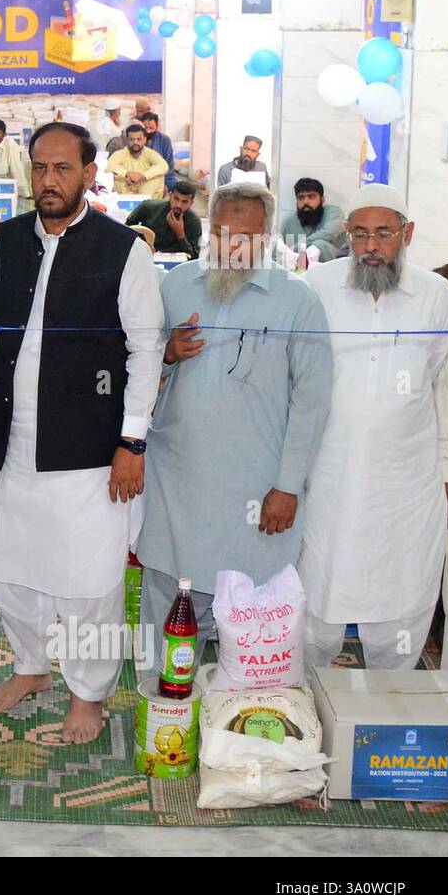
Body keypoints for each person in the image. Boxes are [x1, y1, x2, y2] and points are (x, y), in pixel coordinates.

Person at [0, 122, 164, 744]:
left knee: (87, 580)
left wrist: (132, 443)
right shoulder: (8, 239)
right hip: (12, 439)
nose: (48, 180)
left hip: (90, 447)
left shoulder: (125, 250)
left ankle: (88, 692)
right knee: (8, 567)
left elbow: (145, 351)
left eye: (62, 169)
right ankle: (30, 666)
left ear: (90, 174)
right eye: (39, 168)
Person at [136, 182, 332, 660]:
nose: (233, 245)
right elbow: (136, 368)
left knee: (253, 622)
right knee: (168, 605)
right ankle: (164, 710)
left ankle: (242, 718)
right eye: (222, 232)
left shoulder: (297, 300)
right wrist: (166, 354)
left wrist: (288, 486)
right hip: (177, 482)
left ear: (267, 237)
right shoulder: (177, 283)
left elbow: (312, 399)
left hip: (256, 490)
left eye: (246, 235)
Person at [299, 184, 448, 670]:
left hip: (406, 482)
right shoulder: (316, 286)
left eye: (383, 234)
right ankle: (302, 699)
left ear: (406, 234)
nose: (370, 246)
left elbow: (444, 390)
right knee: (318, 588)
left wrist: (447, 468)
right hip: (327, 475)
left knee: (402, 592)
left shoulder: (435, 295)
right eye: (360, 233)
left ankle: (394, 701)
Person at [125, 180, 203, 258]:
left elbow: (193, 258)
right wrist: (142, 246)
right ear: (170, 196)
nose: (178, 205)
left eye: (184, 202)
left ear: (191, 203)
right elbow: (126, 231)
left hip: (173, 264)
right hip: (144, 256)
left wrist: (180, 234)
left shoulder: (194, 222)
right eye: (176, 199)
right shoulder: (148, 207)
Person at [278, 177, 346, 264]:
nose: (306, 202)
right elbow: (278, 251)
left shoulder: (334, 213)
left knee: (319, 245)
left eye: (311, 197)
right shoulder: (289, 222)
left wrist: (292, 251)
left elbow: (327, 234)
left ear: (322, 200)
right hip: (300, 271)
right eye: (301, 198)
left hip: (334, 267)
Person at [106, 123, 168, 198]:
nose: (135, 142)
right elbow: (110, 166)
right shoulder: (120, 154)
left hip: (146, 191)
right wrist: (128, 174)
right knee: (115, 177)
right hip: (125, 193)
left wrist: (143, 177)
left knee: (158, 176)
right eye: (132, 139)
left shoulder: (150, 153)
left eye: (139, 139)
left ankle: (146, 203)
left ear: (145, 140)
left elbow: (163, 165)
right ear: (127, 140)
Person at [138, 112, 177, 192]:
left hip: (160, 179)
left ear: (157, 126)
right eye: (145, 128)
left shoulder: (164, 140)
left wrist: (166, 185)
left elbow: (169, 164)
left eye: (151, 128)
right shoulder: (136, 140)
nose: (148, 131)